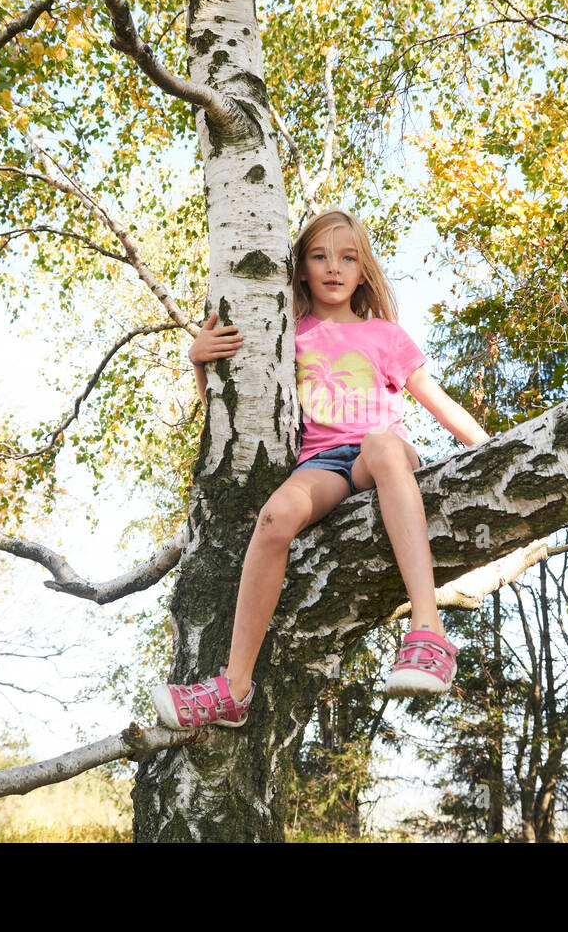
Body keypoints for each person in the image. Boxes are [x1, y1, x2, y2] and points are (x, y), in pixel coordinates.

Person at [151, 208, 491, 729]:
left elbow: (440, 404)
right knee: (274, 518)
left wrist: (496, 450)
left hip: (387, 455)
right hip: (327, 464)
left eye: (348, 258)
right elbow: (236, 415)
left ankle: (428, 631)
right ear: (302, 268)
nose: (334, 267)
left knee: (379, 443)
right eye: (319, 256)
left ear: (363, 270)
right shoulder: (288, 333)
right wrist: (199, 361)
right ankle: (234, 690)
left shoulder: (386, 335)